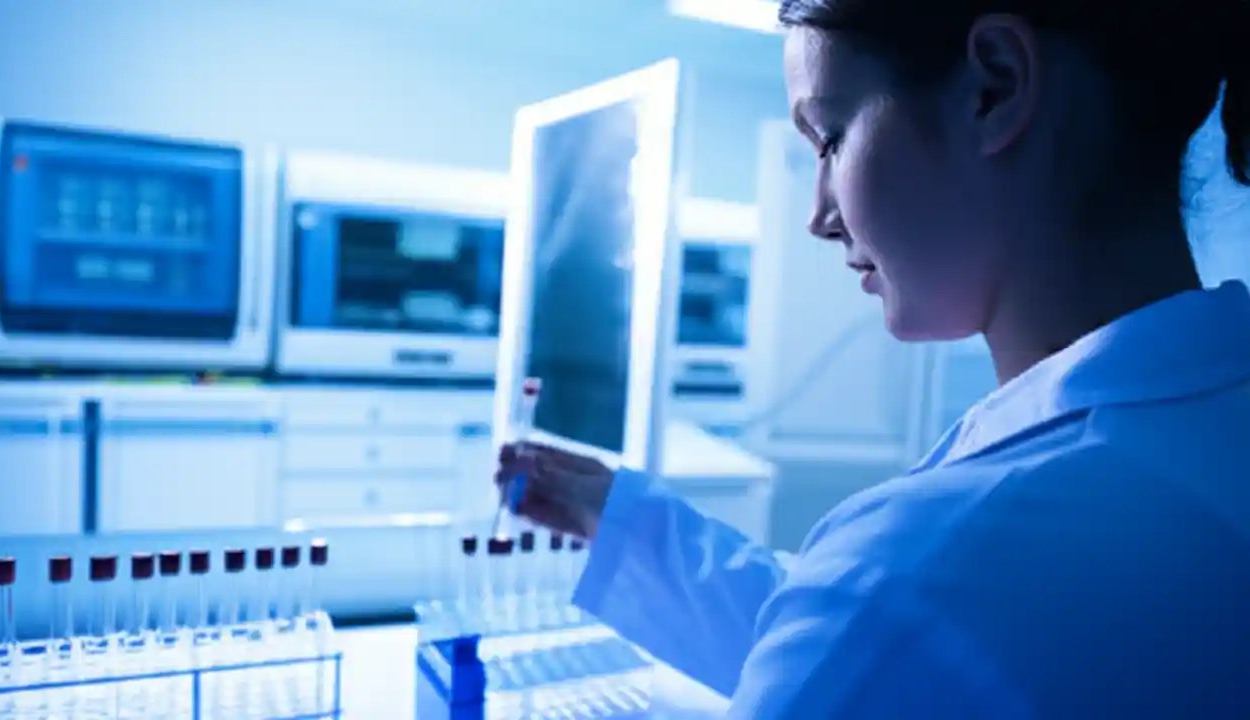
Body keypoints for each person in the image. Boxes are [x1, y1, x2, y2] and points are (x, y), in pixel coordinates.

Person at [495, 0, 1250, 716]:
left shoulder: (925, 574)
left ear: (995, 87)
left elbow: (890, 632)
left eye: (829, 138)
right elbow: (891, 652)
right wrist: (627, 525)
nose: (820, 215)